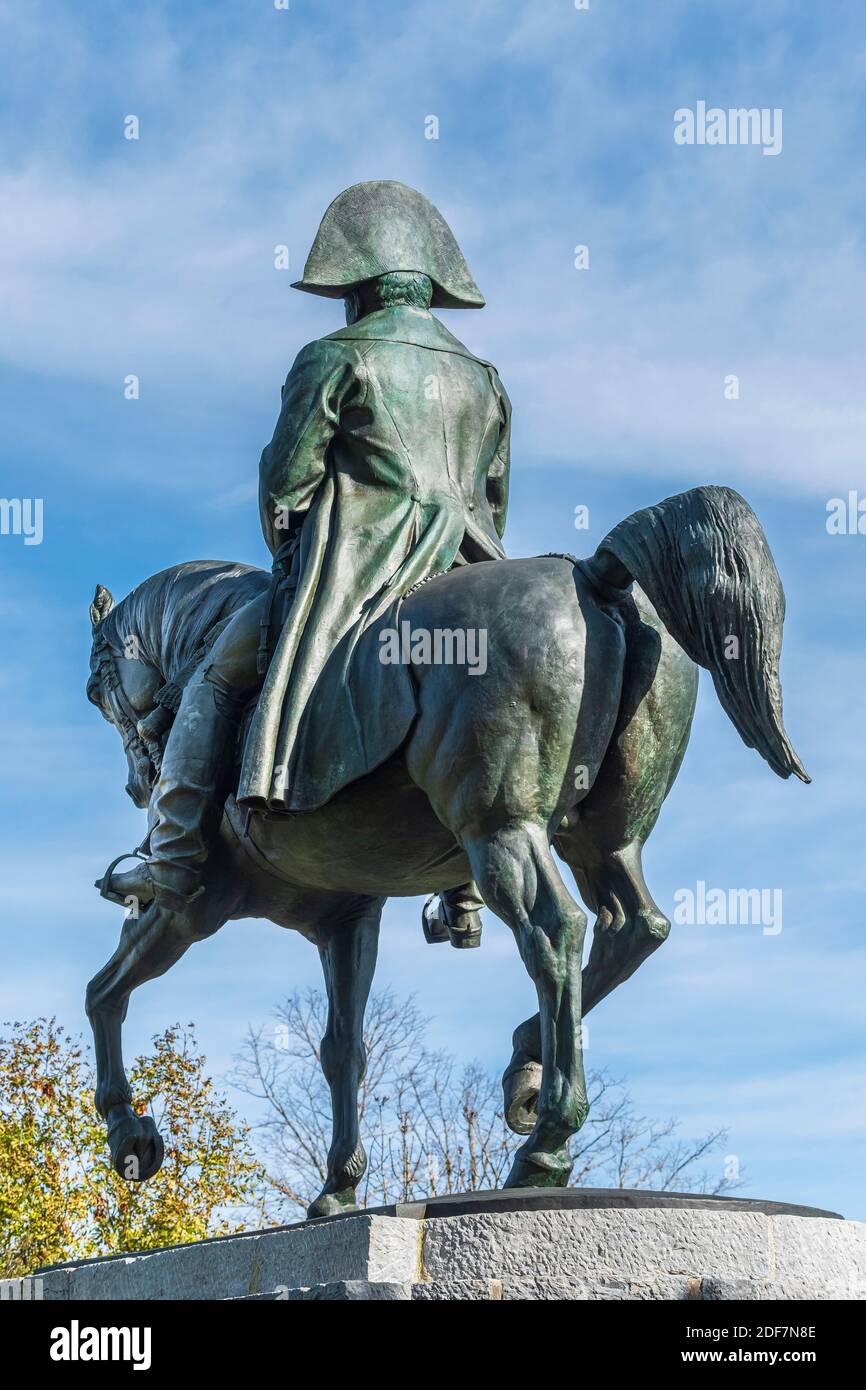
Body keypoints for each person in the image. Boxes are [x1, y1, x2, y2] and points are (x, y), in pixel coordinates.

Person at [104, 182, 510, 943]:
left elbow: (286, 486)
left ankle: (171, 853)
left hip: (360, 567)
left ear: (354, 286)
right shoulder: (483, 378)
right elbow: (494, 498)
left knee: (216, 676)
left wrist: (291, 553)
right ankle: (466, 891)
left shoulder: (333, 357)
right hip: (466, 571)